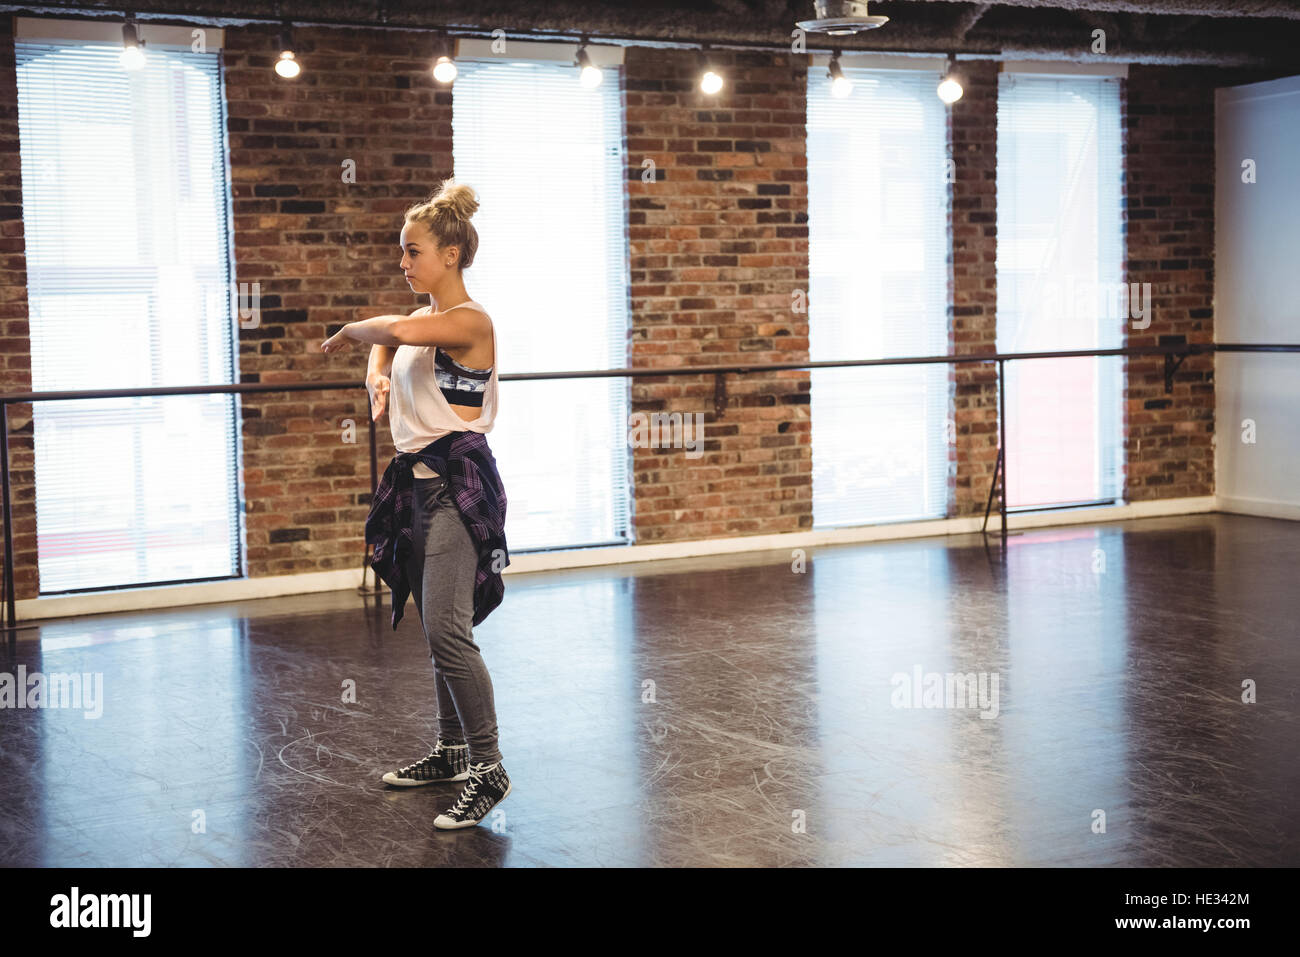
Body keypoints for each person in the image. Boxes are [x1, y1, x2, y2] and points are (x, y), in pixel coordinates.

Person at [320, 178, 511, 830]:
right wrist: (376, 372)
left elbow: (396, 328)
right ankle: (452, 748)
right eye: (402, 253)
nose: (403, 263)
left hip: (458, 488)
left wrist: (354, 332)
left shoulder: (469, 321)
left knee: (450, 632)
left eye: (412, 251)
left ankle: (487, 768)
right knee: (436, 625)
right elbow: (395, 338)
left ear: (450, 253)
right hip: (419, 489)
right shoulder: (426, 322)